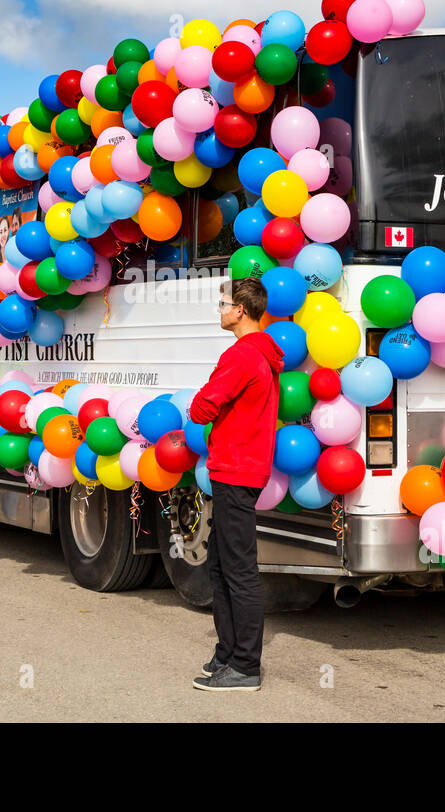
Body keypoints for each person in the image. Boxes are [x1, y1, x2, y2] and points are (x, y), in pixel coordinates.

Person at [187, 278, 283, 692]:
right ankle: (227, 653)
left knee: (238, 569)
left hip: (236, 469)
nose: (220, 309)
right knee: (220, 564)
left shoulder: (242, 355)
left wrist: (203, 398)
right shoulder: (262, 353)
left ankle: (245, 666)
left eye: (224, 303)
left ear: (241, 309)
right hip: (242, 468)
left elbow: (201, 407)